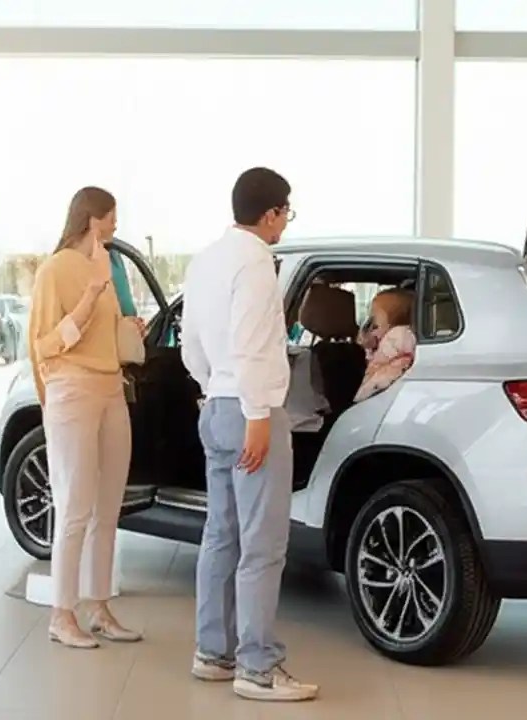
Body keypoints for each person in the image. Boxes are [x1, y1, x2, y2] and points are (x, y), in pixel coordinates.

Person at [180, 167, 319, 702]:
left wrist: (214, 387)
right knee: (263, 544)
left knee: (221, 534)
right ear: (271, 214)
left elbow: (191, 341)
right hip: (250, 411)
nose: (286, 221)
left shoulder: (206, 259)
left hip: (215, 404)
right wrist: (259, 412)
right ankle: (258, 667)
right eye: (286, 212)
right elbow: (254, 341)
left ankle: (212, 653)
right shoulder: (258, 264)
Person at [28, 186, 143, 649]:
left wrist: (127, 330)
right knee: (75, 505)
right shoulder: (56, 270)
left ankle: (98, 606)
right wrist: (91, 295)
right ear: (93, 219)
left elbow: (102, 334)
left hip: (111, 387)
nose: (116, 226)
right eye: (112, 218)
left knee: (108, 505)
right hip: (72, 390)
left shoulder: (109, 266)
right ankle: (62, 614)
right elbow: (45, 345)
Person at [353, 289, 416, 403]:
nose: (372, 320)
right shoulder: (400, 337)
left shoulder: (397, 337)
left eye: (375, 315)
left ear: (394, 317)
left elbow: (379, 364)